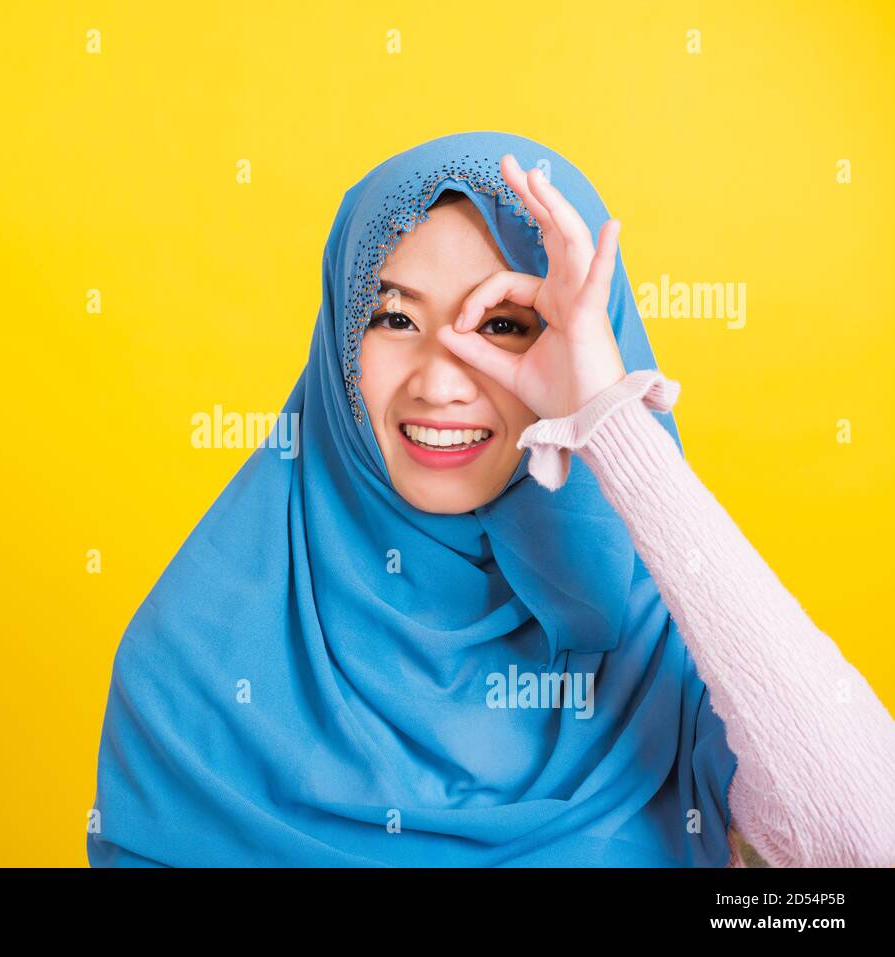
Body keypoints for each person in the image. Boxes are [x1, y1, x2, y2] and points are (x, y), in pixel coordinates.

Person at [86, 130, 895, 867]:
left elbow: (867, 837)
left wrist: (607, 415)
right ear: (339, 340)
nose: (439, 382)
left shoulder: (665, 647)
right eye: (394, 318)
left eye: (505, 325)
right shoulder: (194, 659)